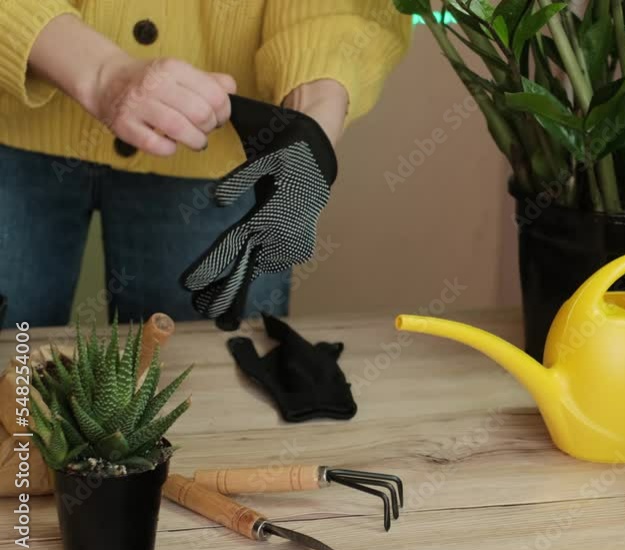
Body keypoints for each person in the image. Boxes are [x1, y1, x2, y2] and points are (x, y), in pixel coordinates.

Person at [0, 1, 411, 328]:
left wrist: (308, 126)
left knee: (207, 388)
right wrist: (99, 72)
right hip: (9, 118)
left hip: (221, 163)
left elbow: (339, 9)